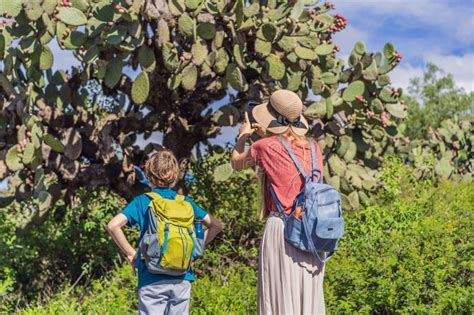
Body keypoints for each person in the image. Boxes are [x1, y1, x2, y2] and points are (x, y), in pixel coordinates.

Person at [231, 90, 326, 314]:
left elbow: (236, 163)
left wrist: (244, 136)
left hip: (282, 228)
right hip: (311, 230)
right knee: (307, 300)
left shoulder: (265, 147)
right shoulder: (314, 147)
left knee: (280, 297)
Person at [106, 148, 223, 315]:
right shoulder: (186, 203)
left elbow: (113, 225)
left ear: (149, 174)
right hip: (182, 279)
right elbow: (216, 226)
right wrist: (193, 248)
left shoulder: (142, 202)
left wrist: (131, 254)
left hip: (151, 278)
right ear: (175, 175)